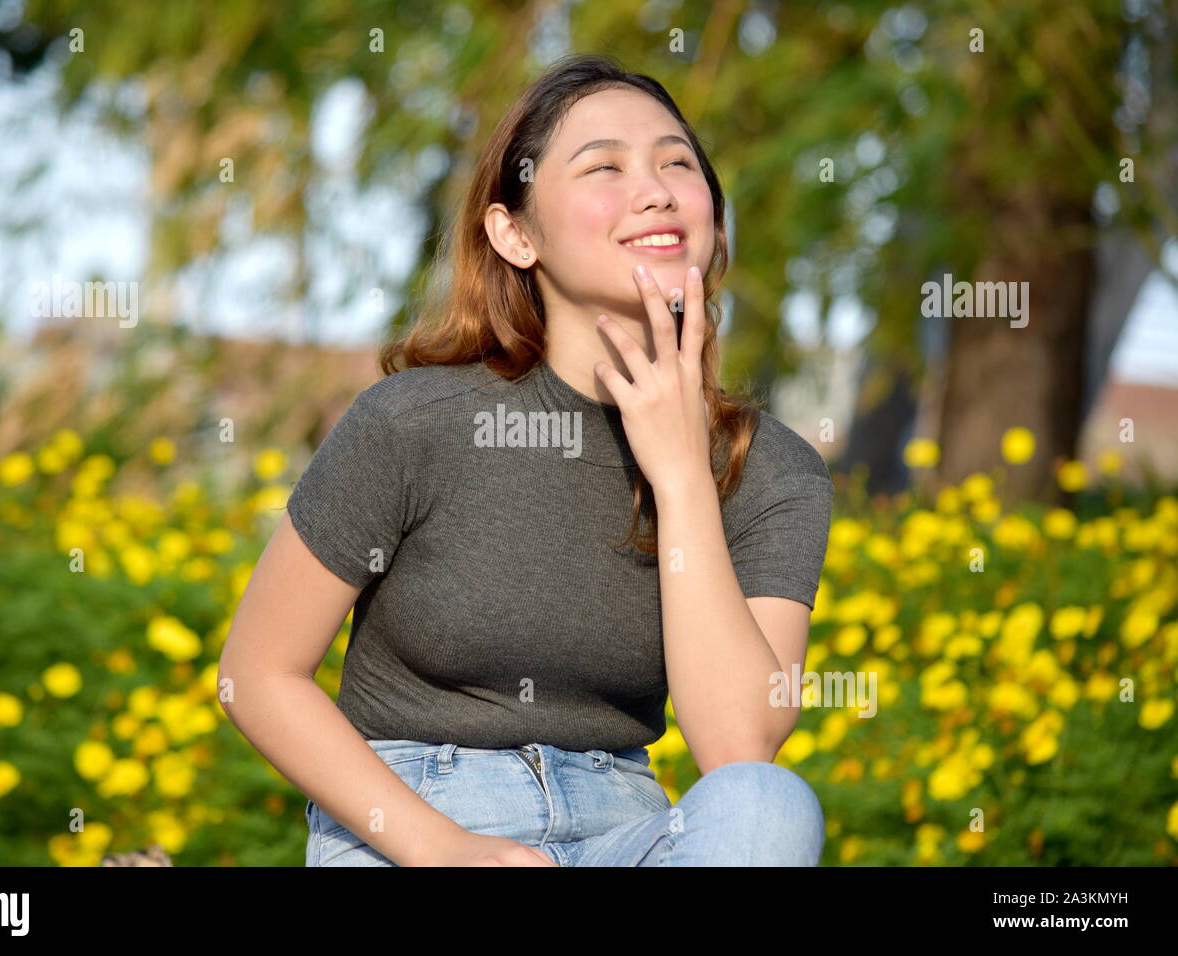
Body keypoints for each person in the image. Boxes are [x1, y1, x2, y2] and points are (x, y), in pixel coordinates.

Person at [219, 53, 834, 867]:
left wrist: (683, 473)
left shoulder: (771, 471)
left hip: (628, 829)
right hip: (414, 827)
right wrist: (442, 848)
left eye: (678, 162)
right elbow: (258, 676)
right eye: (604, 166)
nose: (654, 189)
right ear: (515, 233)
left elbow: (738, 746)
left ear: (713, 221)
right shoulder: (415, 423)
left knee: (768, 804)